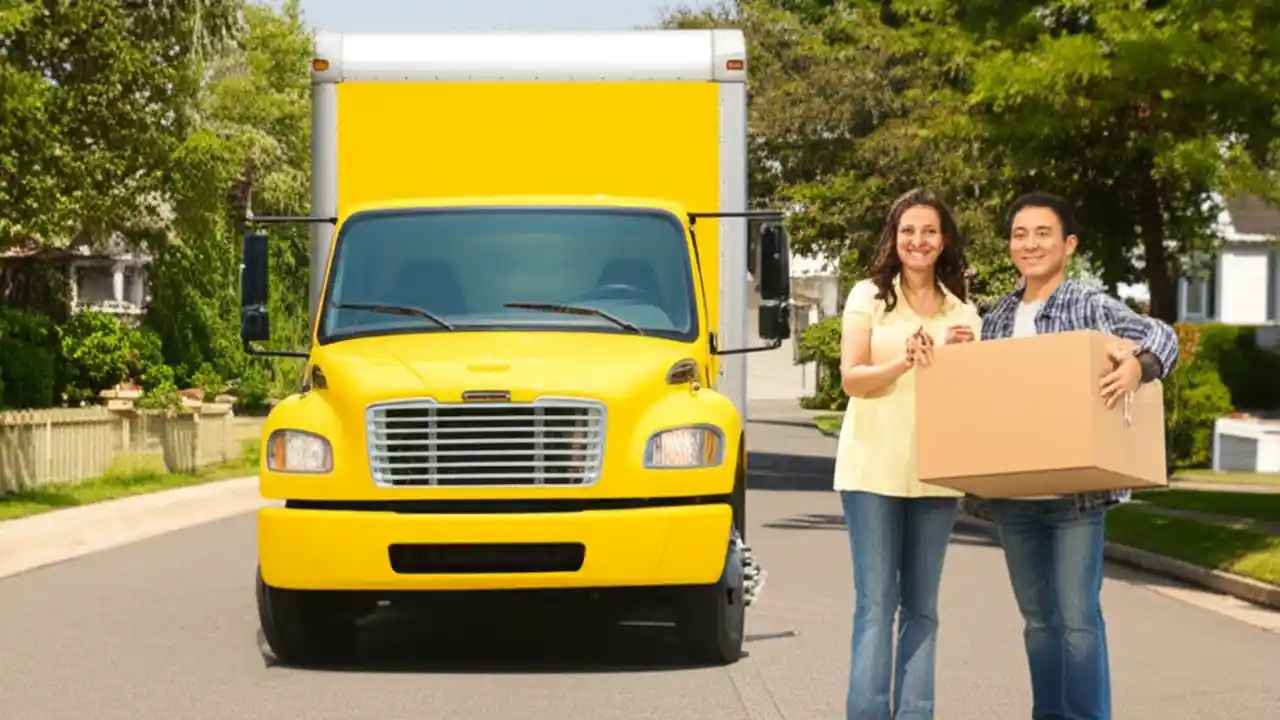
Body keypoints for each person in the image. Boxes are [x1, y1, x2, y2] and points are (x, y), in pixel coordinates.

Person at [966, 191, 1179, 720]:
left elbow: (1163, 336)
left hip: (1076, 499)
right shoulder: (996, 319)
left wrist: (1138, 367)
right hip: (1016, 495)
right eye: (1020, 234)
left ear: (1068, 244)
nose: (1030, 244)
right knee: (1038, 620)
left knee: (1079, 618)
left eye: (1043, 233)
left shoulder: (1087, 303)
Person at [833, 187, 981, 720]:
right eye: (908, 230)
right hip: (871, 471)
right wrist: (903, 363)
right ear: (894, 238)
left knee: (923, 610)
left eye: (929, 231)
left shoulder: (963, 311)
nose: (918, 240)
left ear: (944, 241)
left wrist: (963, 360)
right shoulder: (866, 298)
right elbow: (851, 379)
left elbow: (970, 398)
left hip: (936, 474)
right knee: (876, 607)